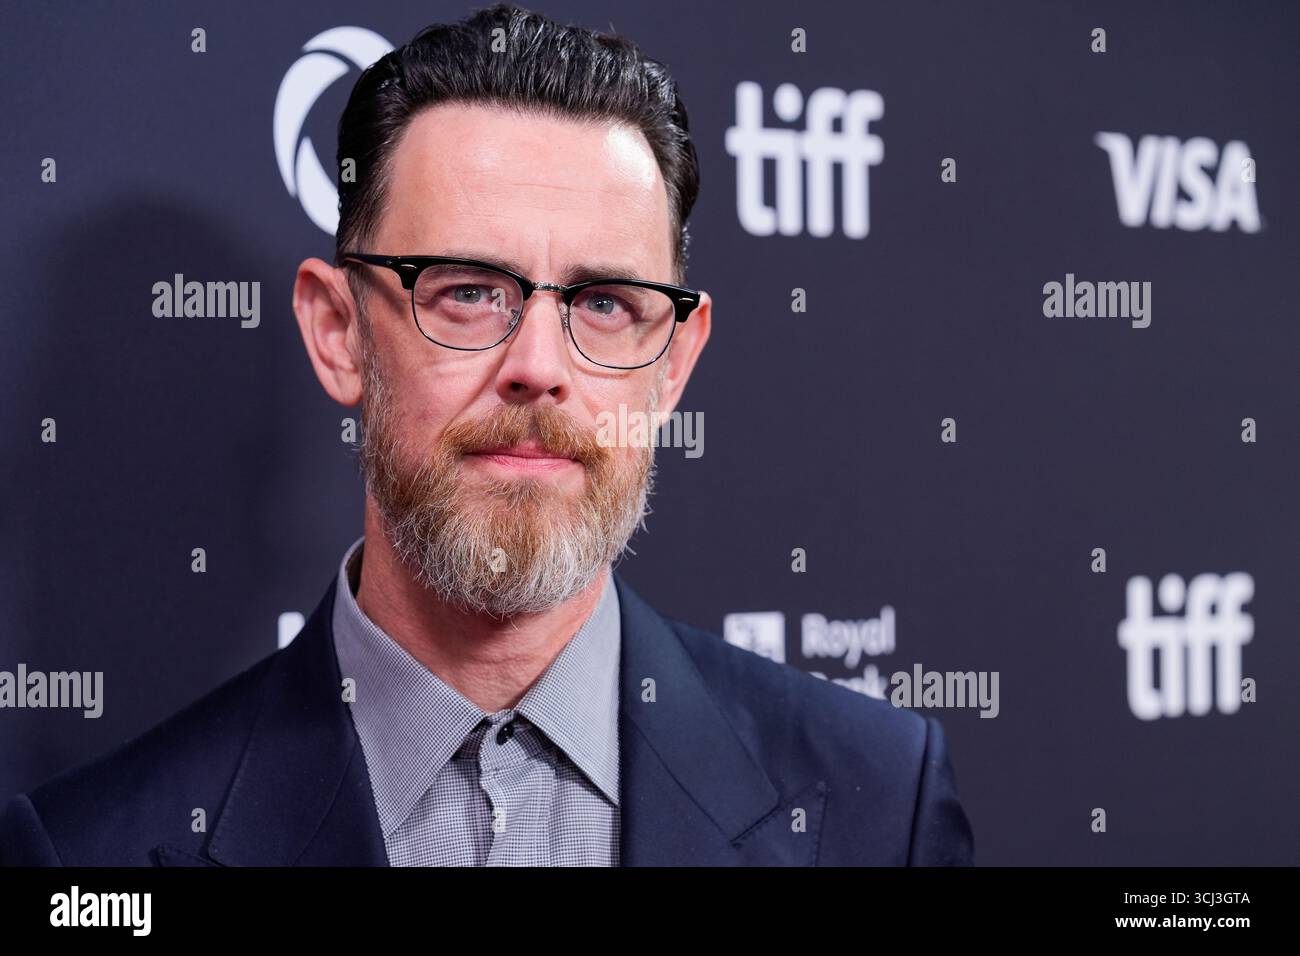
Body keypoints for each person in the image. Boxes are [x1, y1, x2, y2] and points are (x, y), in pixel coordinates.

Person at [0, 3, 973, 866]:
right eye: (469, 291)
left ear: (672, 360)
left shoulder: (878, 803)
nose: (539, 362)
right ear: (339, 333)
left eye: (602, 301)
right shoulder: (92, 851)